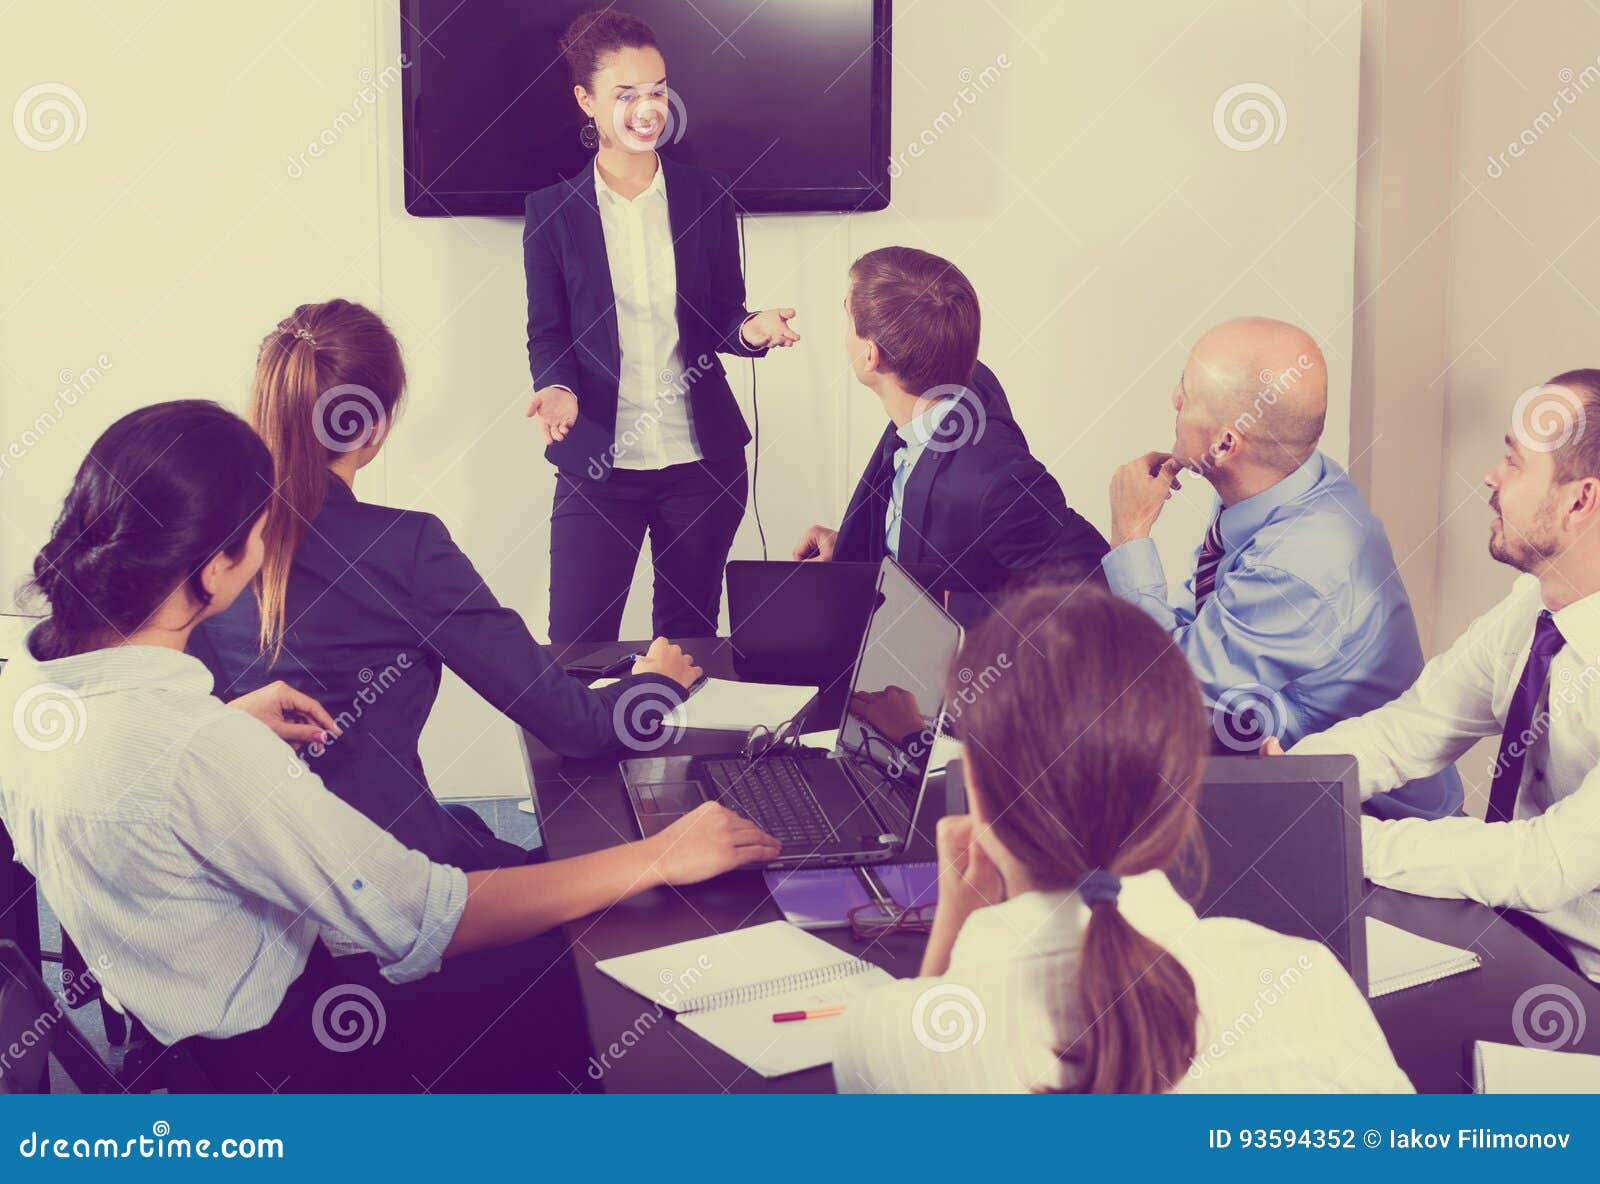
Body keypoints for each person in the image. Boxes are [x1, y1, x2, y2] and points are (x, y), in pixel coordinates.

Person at [0, 401, 780, 1092]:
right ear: (214, 570)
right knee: (607, 971)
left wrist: (229, 726)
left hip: (192, 1048)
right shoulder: (199, 751)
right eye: (262, 535)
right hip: (310, 1061)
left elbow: (137, 778)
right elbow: (424, 920)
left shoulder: (35, 699)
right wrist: (661, 854)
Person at [831, 585, 1409, 1094]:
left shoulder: (882, 1038)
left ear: (975, 794)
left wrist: (953, 929)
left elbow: (922, 1049)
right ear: (1186, 793)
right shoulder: (1309, 985)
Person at [190, 299, 699, 872]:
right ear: (375, 427)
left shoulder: (196, 539)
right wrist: (657, 686)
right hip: (390, 880)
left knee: (472, 827)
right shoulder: (405, 550)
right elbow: (577, 728)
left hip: (249, 868)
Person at [1277, 371, 1600, 979]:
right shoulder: (1529, 608)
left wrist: (1342, 841)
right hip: (1513, 936)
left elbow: (1543, 862)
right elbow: (1409, 731)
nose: (1490, 476)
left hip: (1587, 979)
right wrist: (1294, 789)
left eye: (1513, 461)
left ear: (1580, 500)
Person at [1103, 315, 1460, 819]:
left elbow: (1161, 685)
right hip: (1268, 751)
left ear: (1225, 445)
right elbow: (1203, 625)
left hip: (1363, 819)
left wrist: (1130, 536)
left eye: (1186, 391)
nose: (1174, 399)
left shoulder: (1299, 565)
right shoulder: (1285, 481)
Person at [523, 9, 799, 644]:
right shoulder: (551, 213)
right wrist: (558, 388)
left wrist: (750, 330)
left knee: (688, 645)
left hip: (701, 465)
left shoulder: (706, 194)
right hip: (600, 465)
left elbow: (725, 314)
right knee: (577, 648)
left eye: (657, 90)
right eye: (626, 94)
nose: (647, 109)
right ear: (586, 101)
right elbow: (548, 332)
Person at [791, 246, 1107, 627]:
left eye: (847, 319)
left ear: (870, 356)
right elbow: (933, 527)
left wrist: (946, 608)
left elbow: (1092, 598)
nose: (844, 335)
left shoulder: (998, 481)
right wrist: (851, 546)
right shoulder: (952, 382)